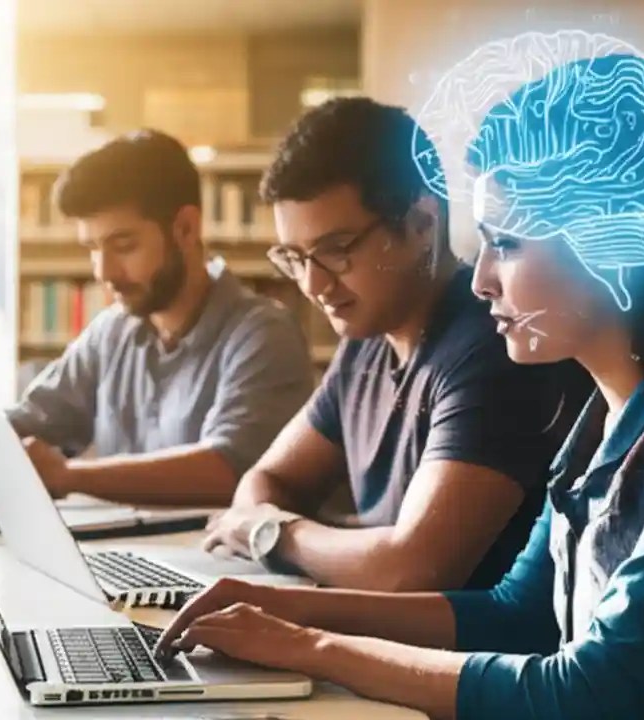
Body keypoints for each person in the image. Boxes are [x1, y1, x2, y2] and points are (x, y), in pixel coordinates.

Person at [156, 46, 644, 719]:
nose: (481, 281)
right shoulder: (604, 416)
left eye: (506, 243)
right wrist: (282, 605)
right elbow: (516, 615)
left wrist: (312, 646)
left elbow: (593, 690)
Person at [201, 97, 591, 592]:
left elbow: (414, 569)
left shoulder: (496, 345)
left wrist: (269, 533)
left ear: (422, 224)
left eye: (336, 251)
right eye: (295, 258)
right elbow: (268, 480)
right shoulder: (368, 338)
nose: (313, 286)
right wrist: (289, 531)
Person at [6, 130, 315, 507]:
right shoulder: (112, 330)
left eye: (124, 246)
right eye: (92, 248)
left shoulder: (263, 335)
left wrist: (68, 476)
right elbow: (32, 419)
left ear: (185, 228)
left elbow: (231, 469)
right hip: (123, 554)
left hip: (214, 562)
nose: (104, 272)